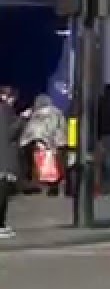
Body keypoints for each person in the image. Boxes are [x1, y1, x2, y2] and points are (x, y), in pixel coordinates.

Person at [20, 94, 67, 196]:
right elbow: (60, 127)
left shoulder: (35, 113)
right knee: (52, 165)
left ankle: (33, 185)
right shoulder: (56, 112)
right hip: (54, 141)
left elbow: (31, 129)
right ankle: (53, 188)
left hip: (38, 141)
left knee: (36, 163)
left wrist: (26, 141)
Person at [0, 87, 22, 239]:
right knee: (2, 194)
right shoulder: (5, 111)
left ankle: (2, 224)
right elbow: (11, 132)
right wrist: (23, 119)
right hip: (4, 160)